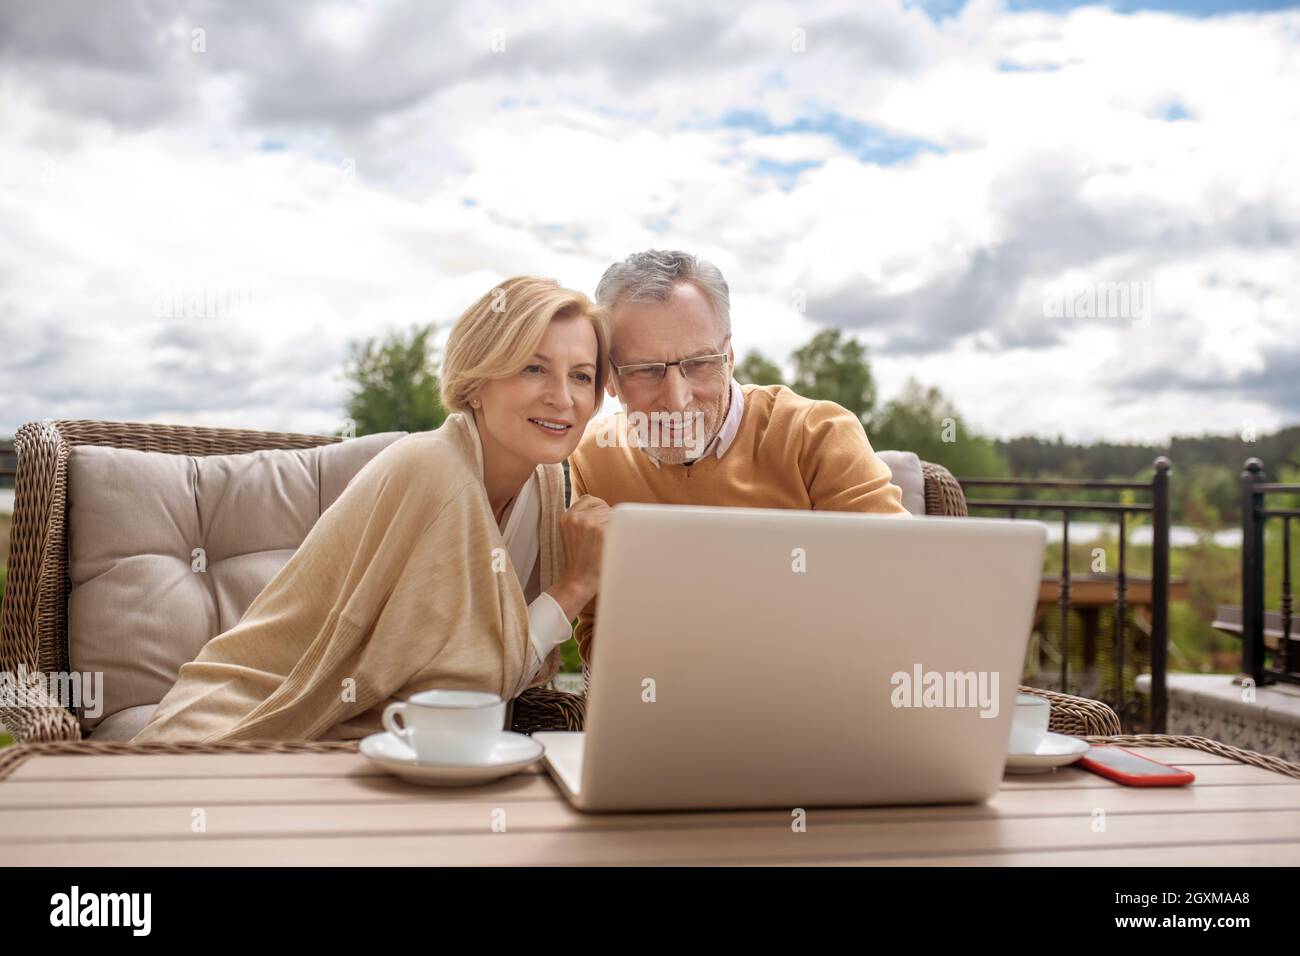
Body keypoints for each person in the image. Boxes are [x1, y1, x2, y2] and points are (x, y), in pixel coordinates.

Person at [133, 277, 613, 743]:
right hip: (256, 719)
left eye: (581, 377)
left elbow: (487, 675)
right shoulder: (434, 469)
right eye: (533, 368)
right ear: (474, 386)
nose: (562, 397)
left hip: (397, 734)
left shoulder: (546, 487)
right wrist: (573, 587)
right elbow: (466, 690)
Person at [568, 249, 910, 672]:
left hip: (826, 689)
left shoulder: (817, 434)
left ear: (729, 358)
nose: (677, 400)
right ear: (612, 379)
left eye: (699, 364)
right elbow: (600, 630)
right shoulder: (592, 461)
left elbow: (899, 591)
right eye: (646, 370)